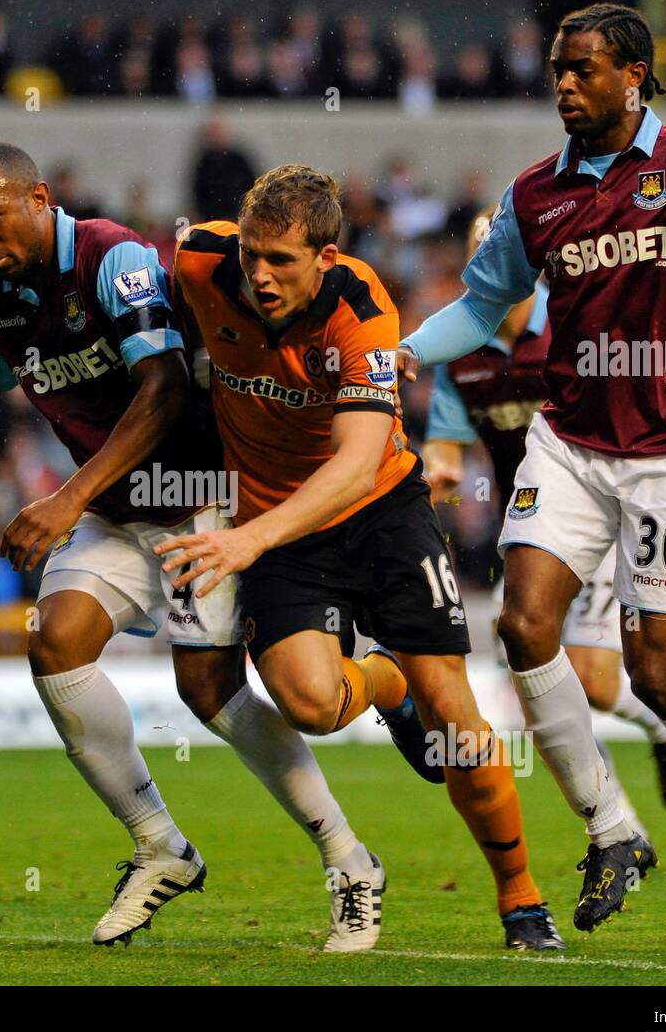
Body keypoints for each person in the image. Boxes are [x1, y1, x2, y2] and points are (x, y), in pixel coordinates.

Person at [0, 144, 389, 951]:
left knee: (210, 695)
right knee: (56, 641)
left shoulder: (114, 258)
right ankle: (160, 845)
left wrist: (64, 496)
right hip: (116, 511)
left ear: (39, 199)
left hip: (200, 498)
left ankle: (349, 860)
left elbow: (166, 387)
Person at [397, 3, 666, 943]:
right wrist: (407, 351)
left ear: (634, 74)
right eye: (557, 68)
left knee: (657, 672)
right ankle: (612, 827)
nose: (564, 83)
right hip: (571, 440)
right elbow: (482, 311)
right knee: (521, 622)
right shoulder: (532, 197)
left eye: (583, 69)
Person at [168, 163, 564, 951]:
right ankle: (388, 677)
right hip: (284, 526)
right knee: (311, 705)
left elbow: (354, 461)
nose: (260, 273)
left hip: (380, 511)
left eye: (282, 260)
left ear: (326, 256)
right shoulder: (198, 263)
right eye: (252, 254)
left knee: (454, 720)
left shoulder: (363, 306)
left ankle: (521, 899)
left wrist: (246, 537)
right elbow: (172, 270)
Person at [419, 207, 666, 831]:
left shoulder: (568, 328)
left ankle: (647, 771)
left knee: (586, 677)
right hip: (535, 531)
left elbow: (650, 394)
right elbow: (446, 454)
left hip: (607, 515)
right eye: (481, 259)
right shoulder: (461, 356)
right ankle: (625, 824)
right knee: (555, 693)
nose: (491, 268)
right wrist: (433, 483)